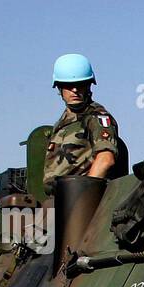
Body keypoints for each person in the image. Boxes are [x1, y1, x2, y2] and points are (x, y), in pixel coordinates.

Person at [42, 53, 119, 196]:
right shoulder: (63, 122)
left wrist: (84, 197)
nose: (75, 90)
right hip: (58, 199)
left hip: (78, 200)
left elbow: (105, 159)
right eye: (69, 86)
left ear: (89, 86)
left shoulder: (96, 117)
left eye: (80, 85)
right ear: (59, 88)